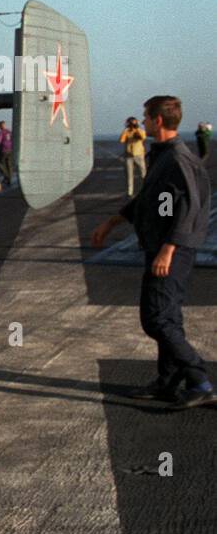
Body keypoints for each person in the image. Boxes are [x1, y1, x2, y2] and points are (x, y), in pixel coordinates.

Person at [91, 95, 212, 409]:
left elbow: (187, 208)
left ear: (158, 120)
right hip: (162, 246)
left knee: (156, 319)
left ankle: (200, 380)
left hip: (171, 250)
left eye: (145, 118)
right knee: (168, 315)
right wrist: (113, 220)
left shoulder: (177, 159)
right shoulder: (162, 156)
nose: (142, 122)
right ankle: (167, 381)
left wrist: (169, 250)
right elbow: (152, 200)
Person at [120, 116, 147, 196]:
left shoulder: (140, 131)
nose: (132, 125)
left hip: (139, 155)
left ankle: (145, 190)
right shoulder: (127, 132)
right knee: (129, 175)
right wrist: (126, 130)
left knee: (143, 174)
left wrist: (137, 129)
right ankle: (129, 192)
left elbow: (142, 137)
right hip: (129, 156)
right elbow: (122, 140)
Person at [0, 120, 14, 186]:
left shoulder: (1, 132)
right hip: (10, 149)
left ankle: (6, 176)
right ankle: (9, 179)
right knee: (8, 164)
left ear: (0, 126)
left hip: (3, 150)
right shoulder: (9, 132)